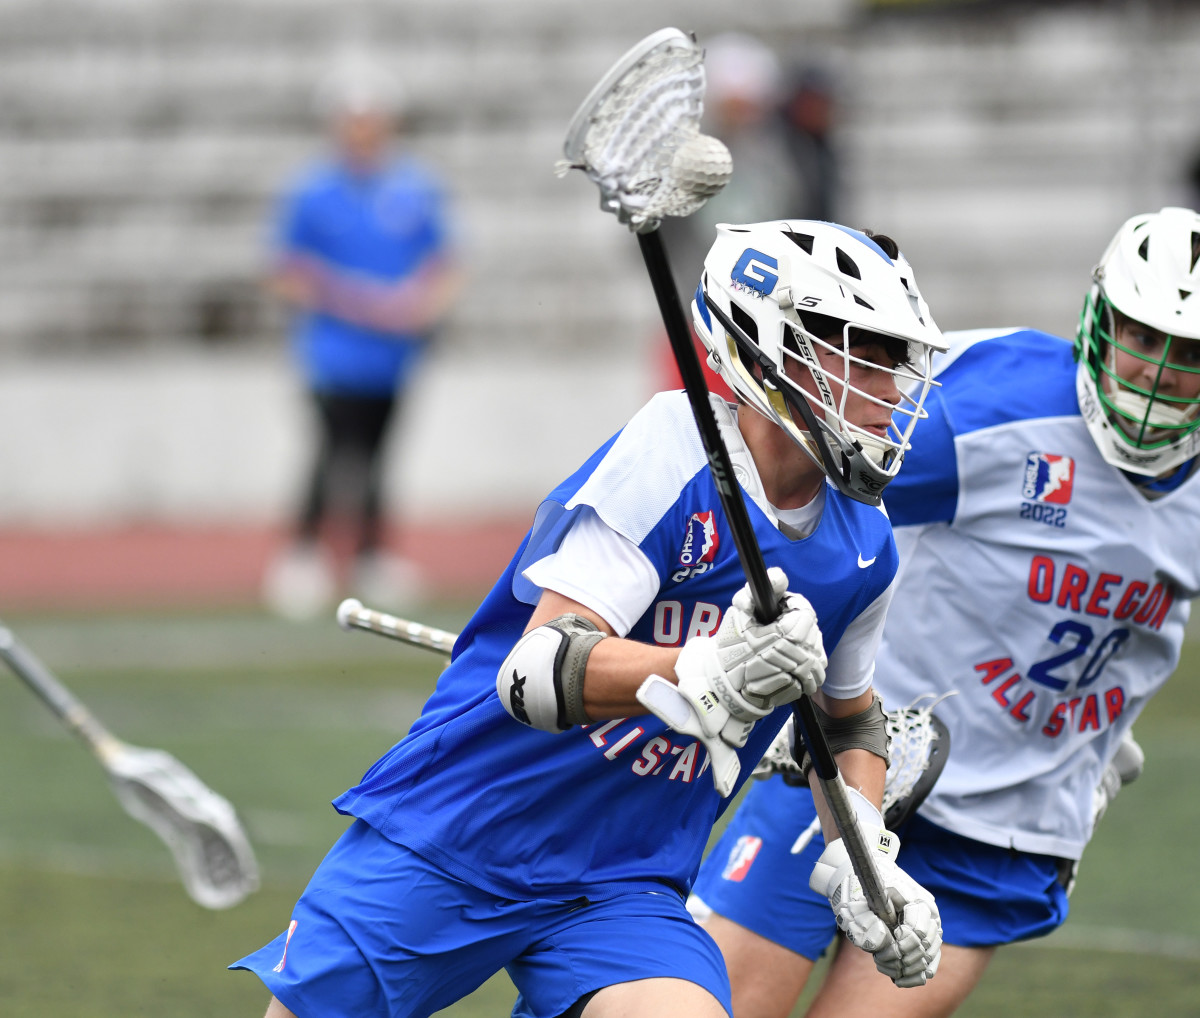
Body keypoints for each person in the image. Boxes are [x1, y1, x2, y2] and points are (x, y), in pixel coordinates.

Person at [230, 219, 949, 1018]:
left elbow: (846, 723)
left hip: (622, 878)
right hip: (463, 831)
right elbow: (536, 672)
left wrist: (864, 852)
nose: (894, 390)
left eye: (900, 362)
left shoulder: (865, 544)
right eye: (870, 357)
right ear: (777, 346)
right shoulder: (674, 451)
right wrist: (697, 672)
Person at [689, 206, 1200, 1018]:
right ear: (1102, 317)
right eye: (1143, 336)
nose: (1158, 372)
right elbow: (803, 502)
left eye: (1189, 354)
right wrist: (727, 640)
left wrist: (1107, 735)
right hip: (855, 768)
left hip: (1007, 828)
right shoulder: (1000, 406)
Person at [260, 51, 459, 620]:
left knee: (379, 454)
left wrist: (416, 304)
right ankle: (304, 553)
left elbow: (443, 262)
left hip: (393, 355)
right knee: (330, 449)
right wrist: (353, 300)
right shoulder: (311, 191)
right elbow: (285, 271)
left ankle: (373, 553)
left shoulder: (414, 187)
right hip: (332, 352)